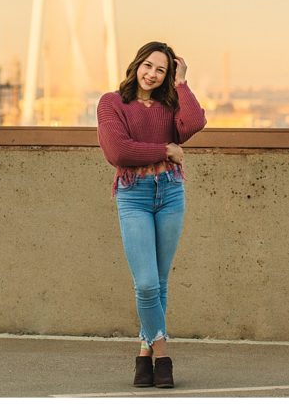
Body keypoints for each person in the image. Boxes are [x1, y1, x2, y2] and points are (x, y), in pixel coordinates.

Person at [96, 41, 207, 389]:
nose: (152, 74)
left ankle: (144, 357)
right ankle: (163, 356)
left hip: (170, 192)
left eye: (161, 70)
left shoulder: (170, 105)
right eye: (148, 65)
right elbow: (119, 151)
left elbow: (195, 122)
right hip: (134, 195)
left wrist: (182, 82)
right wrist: (165, 149)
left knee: (159, 282)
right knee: (146, 283)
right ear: (136, 64)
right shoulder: (112, 103)